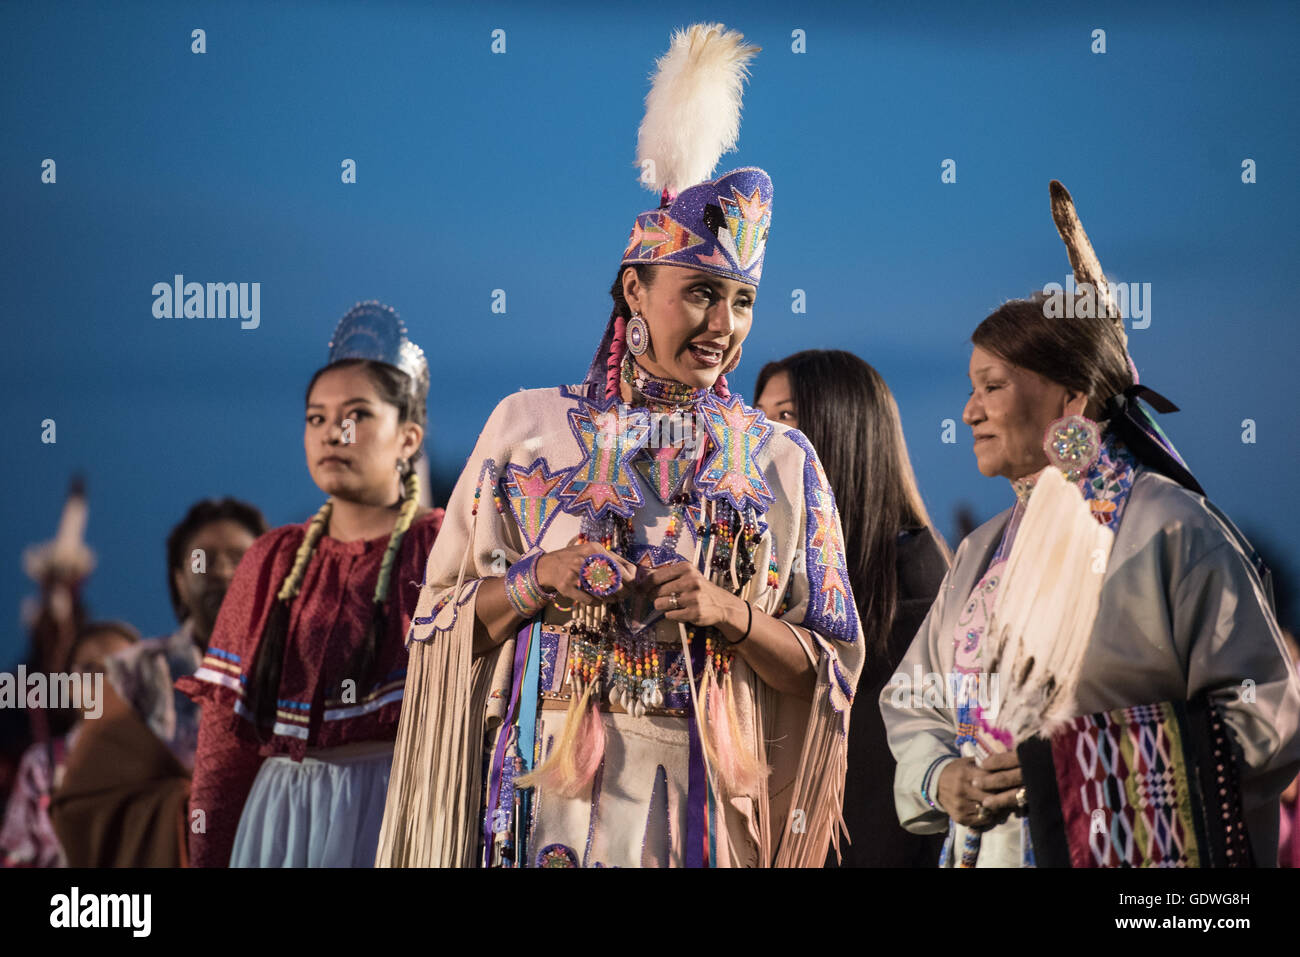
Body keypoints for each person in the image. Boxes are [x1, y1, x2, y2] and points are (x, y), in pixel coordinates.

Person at [377, 23, 863, 869]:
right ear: (635, 285)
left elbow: (829, 664)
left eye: (742, 300)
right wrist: (536, 580)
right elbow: (435, 627)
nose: (723, 324)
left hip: (708, 813)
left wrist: (730, 613)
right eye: (701, 293)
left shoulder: (782, 461)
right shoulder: (528, 427)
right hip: (546, 803)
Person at [882, 182, 1300, 867]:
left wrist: (1084, 766)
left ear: (1071, 397)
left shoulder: (1171, 530)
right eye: (968, 387)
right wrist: (943, 777)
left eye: (992, 385)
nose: (968, 412)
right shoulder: (984, 553)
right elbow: (913, 697)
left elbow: (1269, 714)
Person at [178, 301, 443, 867]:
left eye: (357, 416)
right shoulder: (273, 562)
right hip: (279, 822)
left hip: (398, 813)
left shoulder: (443, 550)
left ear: (408, 438)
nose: (333, 434)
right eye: (316, 418)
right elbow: (224, 748)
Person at [755, 351, 951, 867]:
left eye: (787, 415)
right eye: (759, 414)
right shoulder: (782, 571)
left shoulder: (912, 576)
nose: (764, 432)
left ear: (844, 429)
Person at [106, 498, 267, 769]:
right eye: (203, 560)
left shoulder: (300, 670)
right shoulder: (132, 671)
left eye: (240, 559)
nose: (223, 572)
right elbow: (97, 775)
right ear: (179, 581)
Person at [1, 621, 138, 867]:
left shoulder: (169, 763)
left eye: (120, 666)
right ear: (69, 686)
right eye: (89, 669)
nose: (103, 679)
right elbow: (15, 856)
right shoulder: (43, 766)